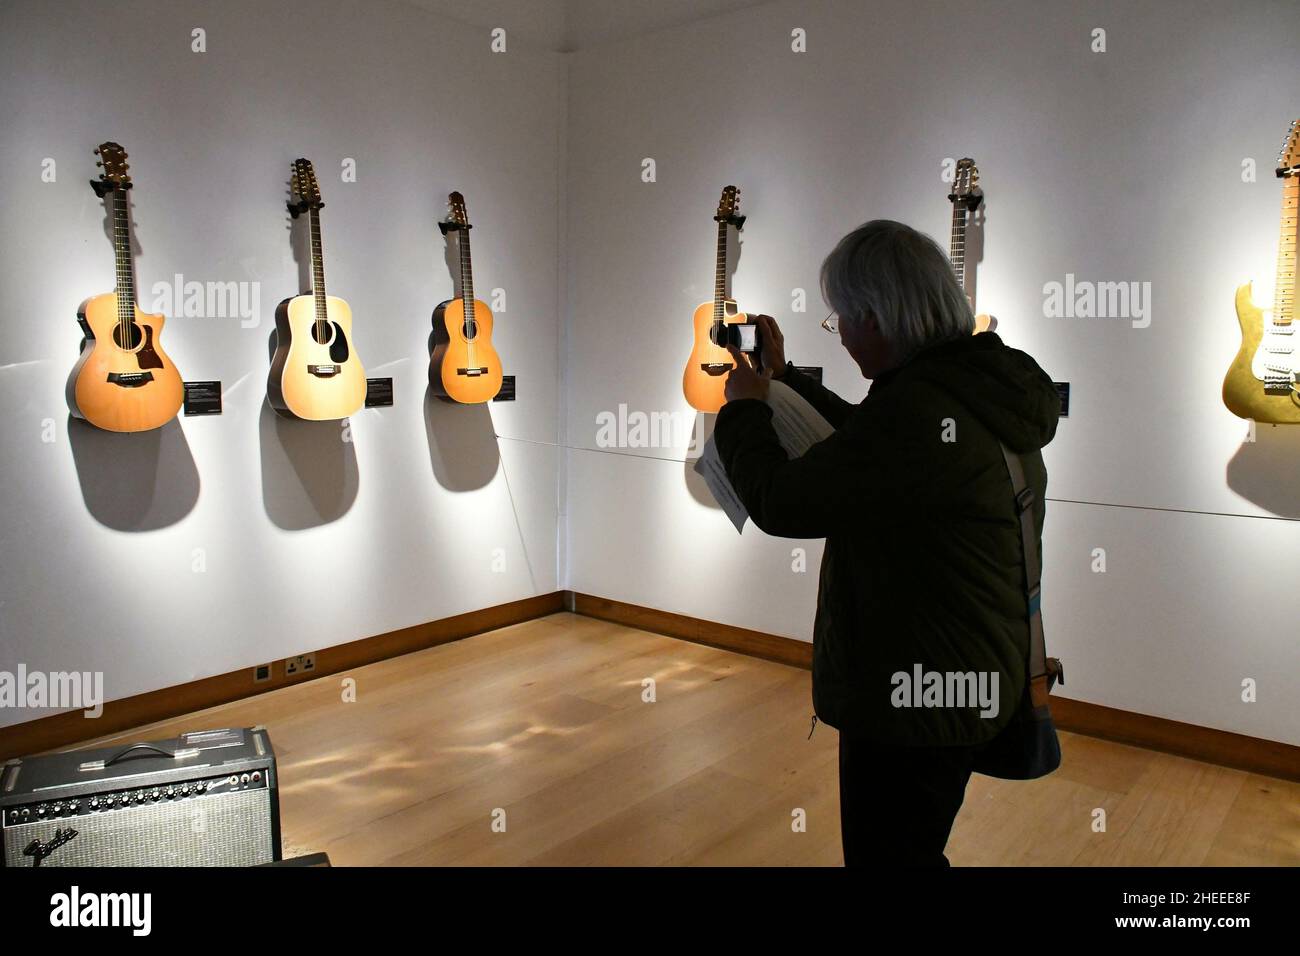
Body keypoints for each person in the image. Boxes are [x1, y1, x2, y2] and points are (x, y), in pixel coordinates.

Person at [713, 219, 1060, 866]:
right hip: (957, 667)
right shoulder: (966, 387)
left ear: (875, 317)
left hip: (915, 690)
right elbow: (866, 449)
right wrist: (787, 381)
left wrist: (743, 410)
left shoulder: (921, 412)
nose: (840, 334)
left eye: (841, 318)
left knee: (890, 862)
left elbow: (782, 501)